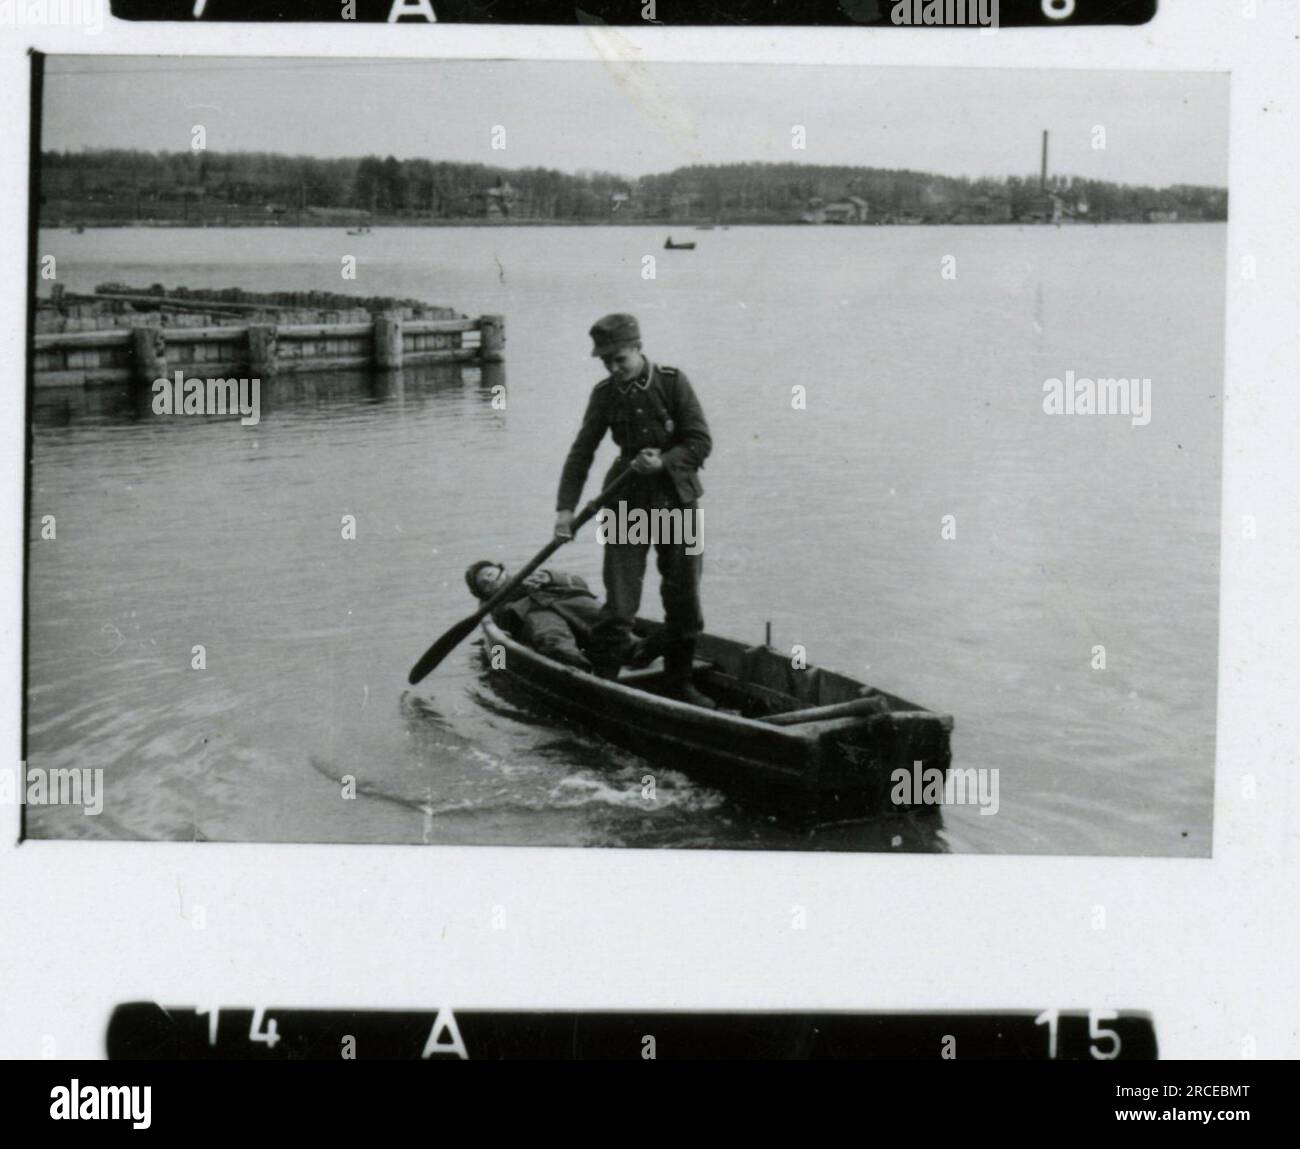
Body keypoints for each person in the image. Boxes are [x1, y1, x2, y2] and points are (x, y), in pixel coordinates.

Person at [553, 313, 715, 708]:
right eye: (605, 361)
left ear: (638, 348)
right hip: (626, 504)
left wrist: (664, 462)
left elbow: (700, 441)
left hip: (678, 501)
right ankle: (605, 684)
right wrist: (565, 510)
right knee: (621, 602)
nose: (613, 368)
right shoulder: (604, 394)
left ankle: (678, 681)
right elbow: (581, 453)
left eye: (619, 359)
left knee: (685, 601)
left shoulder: (673, 382)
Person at [465, 559, 602, 672]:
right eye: (484, 584)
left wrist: (550, 578)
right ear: (485, 594)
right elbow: (500, 631)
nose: (489, 581)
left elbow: (580, 584)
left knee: (609, 622)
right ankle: (581, 669)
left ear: (502, 571)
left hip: (567, 604)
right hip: (539, 618)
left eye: (489, 574)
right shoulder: (494, 607)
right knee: (554, 639)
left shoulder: (534, 577)